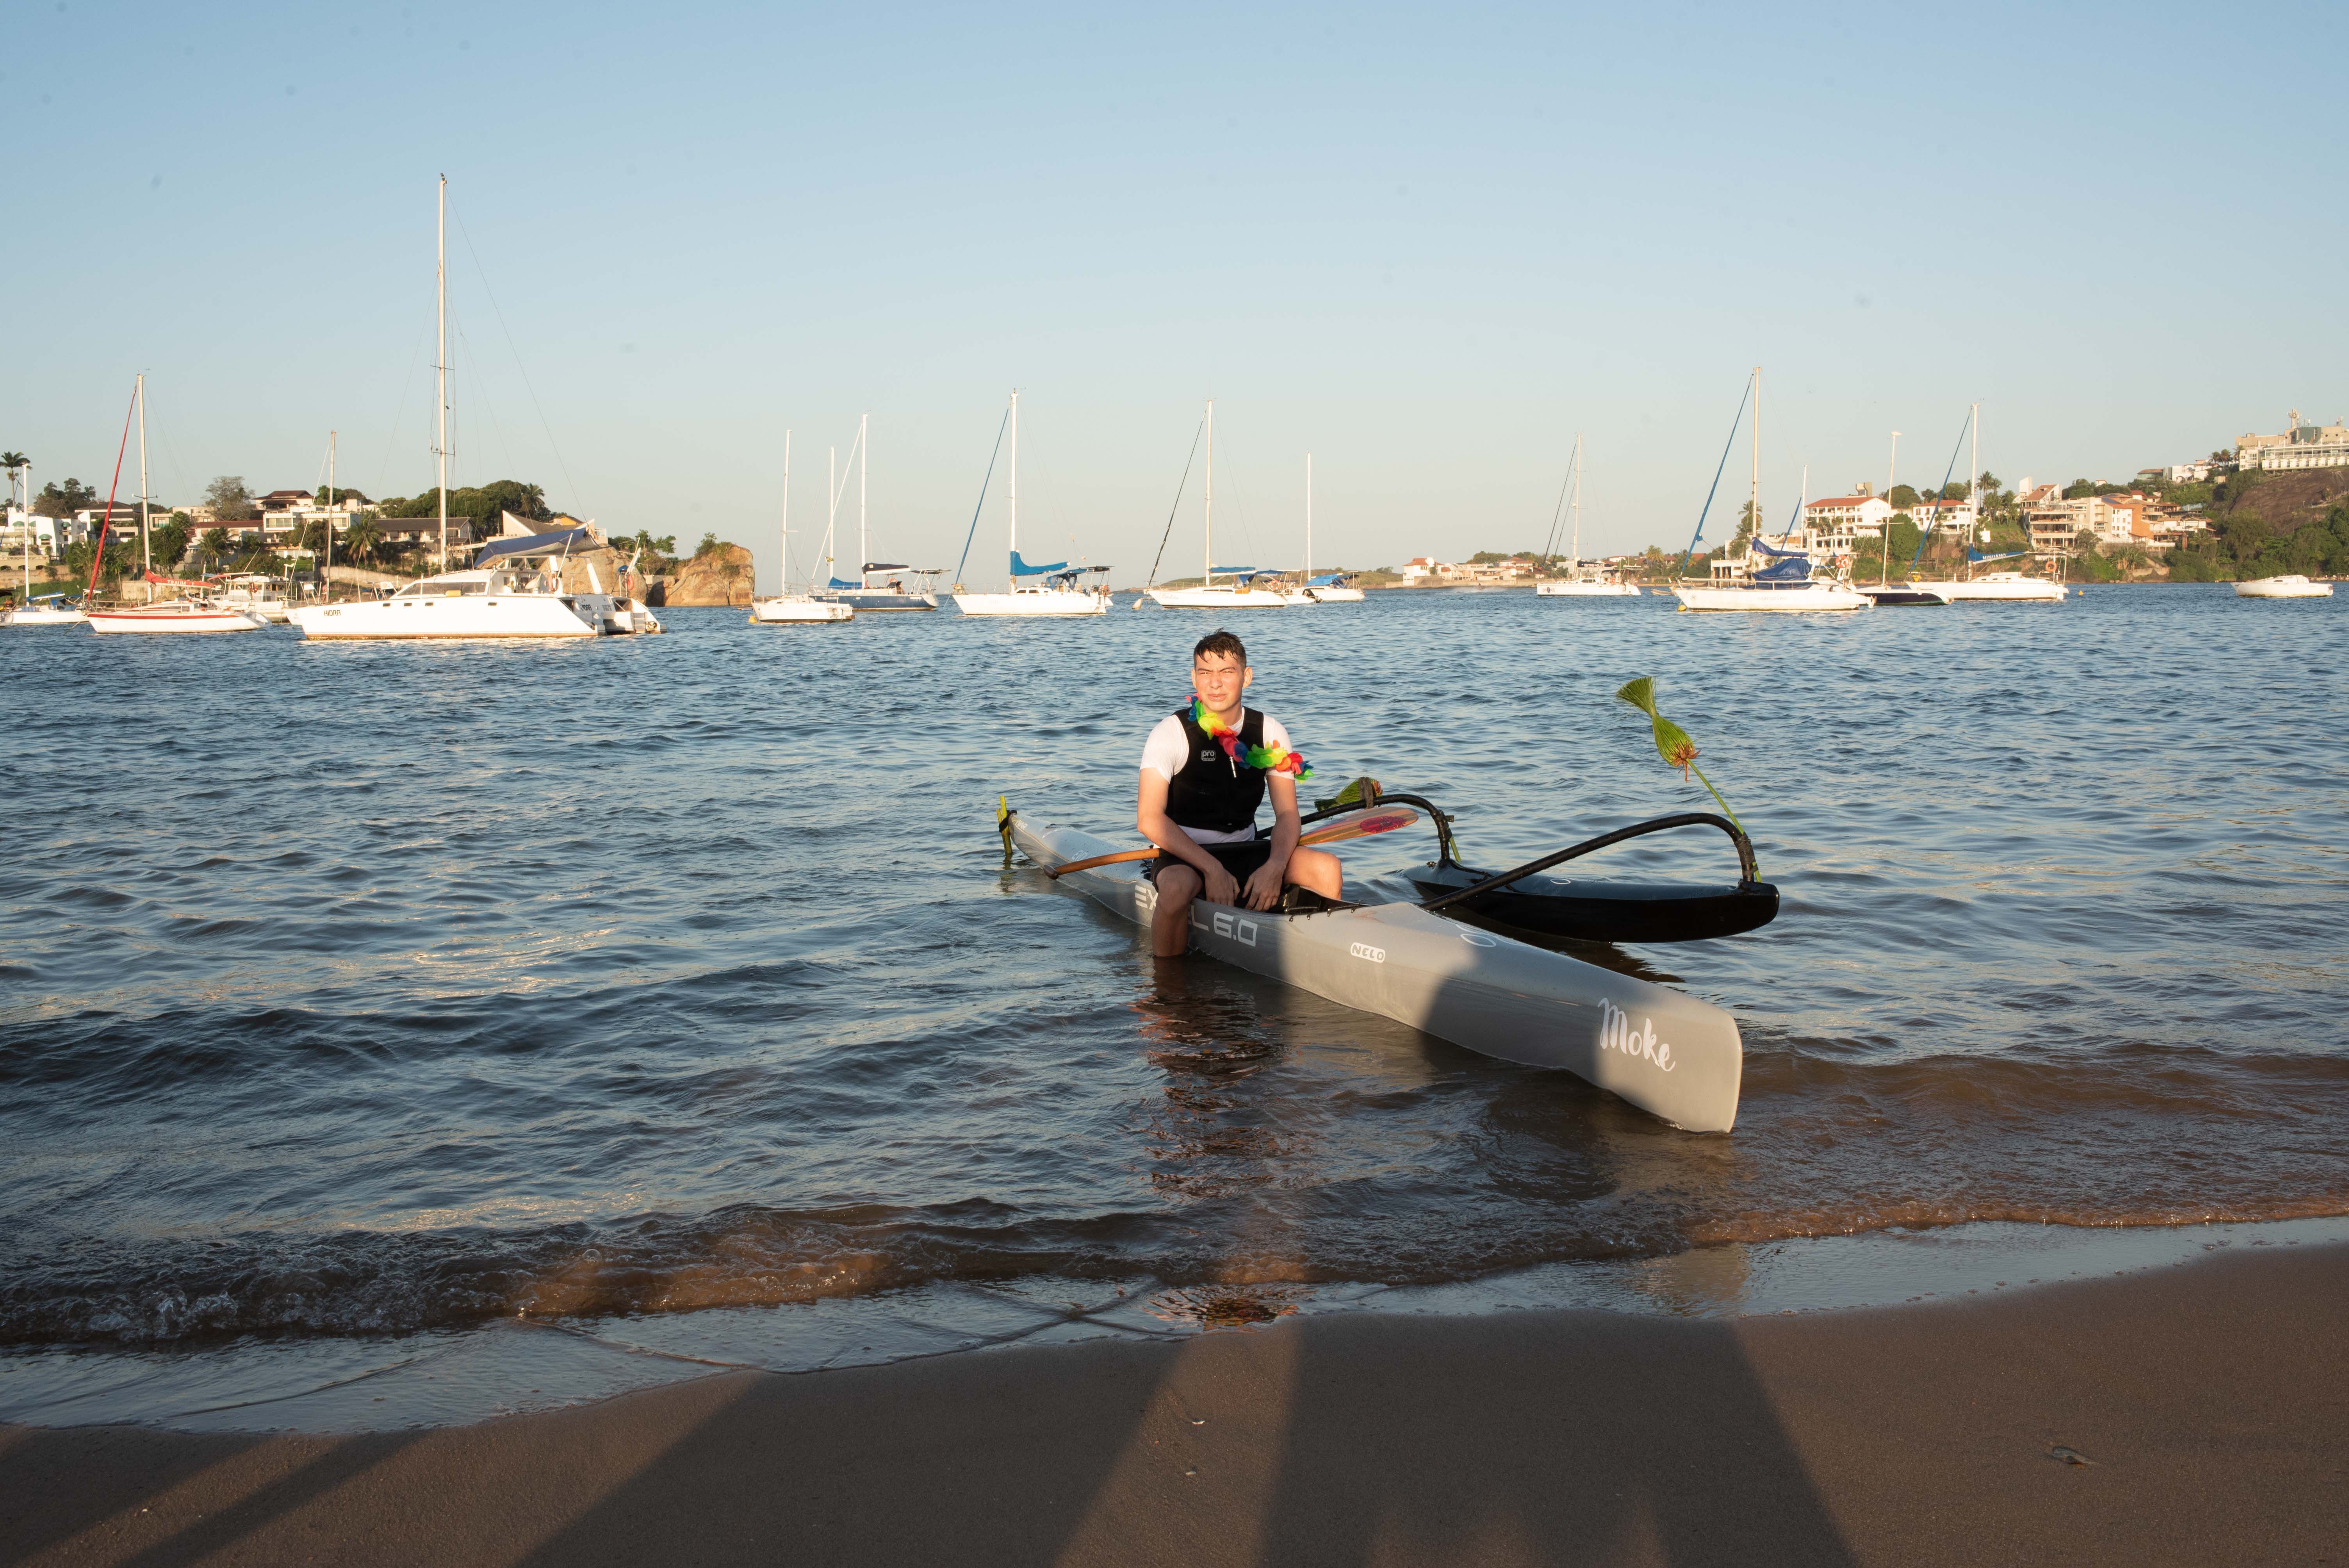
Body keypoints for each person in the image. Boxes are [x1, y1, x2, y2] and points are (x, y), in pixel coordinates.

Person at [1137, 629, 1342, 958]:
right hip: (1184, 854)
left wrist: (1275, 866)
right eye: (1205, 673)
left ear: (1246, 677)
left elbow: (1288, 815)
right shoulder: (1170, 733)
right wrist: (1212, 869)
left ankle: (1318, 962)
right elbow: (1149, 819)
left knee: (1326, 868)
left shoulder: (1269, 731)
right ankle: (1168, 992)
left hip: (1245, 847)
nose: (1215, 684)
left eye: (1227, 672)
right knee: (1176, 890)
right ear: (1194, 677)